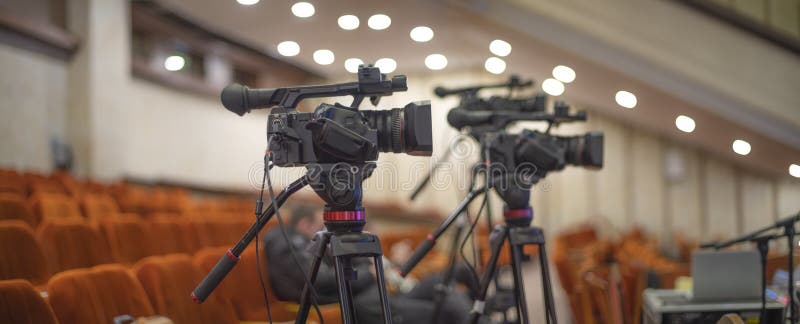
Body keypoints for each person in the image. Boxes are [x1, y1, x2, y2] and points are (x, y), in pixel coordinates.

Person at [263, 203, 474, 323]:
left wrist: (380, 265)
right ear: (304, 224)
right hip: (369, 303)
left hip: (381, 293)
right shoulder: (288, 245)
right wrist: (371, 273)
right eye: (319, 226)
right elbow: (322, 279)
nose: (324, 231)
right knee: (444, 309)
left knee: (445, 282)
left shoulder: (311, 244)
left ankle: (481, 311)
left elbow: (349, 268)